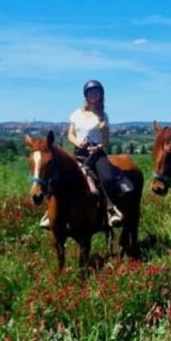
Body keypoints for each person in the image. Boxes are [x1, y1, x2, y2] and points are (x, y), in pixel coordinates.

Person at [39, 80, 132, 229]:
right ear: (86, 95)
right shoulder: (77, 114)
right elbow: (70, 134)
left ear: (101, 95)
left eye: (97, 92)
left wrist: (98, 147)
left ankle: (110, 209)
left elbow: (106, 140)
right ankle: (49, 212)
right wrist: (78, 143)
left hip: (97, 153)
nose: (93, 95)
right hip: (79, 152)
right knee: (56, 177)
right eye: (90, 92)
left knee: (107, 177)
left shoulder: (103, 115)